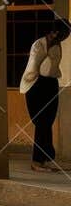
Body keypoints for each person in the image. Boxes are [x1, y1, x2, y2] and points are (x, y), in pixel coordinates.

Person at [20, 19, 71, 171]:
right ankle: (37, 161)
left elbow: (52, 67)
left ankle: (47, 159)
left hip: (50, 83)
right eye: (59, 34)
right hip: (35, 84)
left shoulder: (57, 46)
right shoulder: (38, 44)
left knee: (48, 122)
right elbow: (35, 67)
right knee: (41, 123)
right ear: (52, 32)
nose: (59, 37)